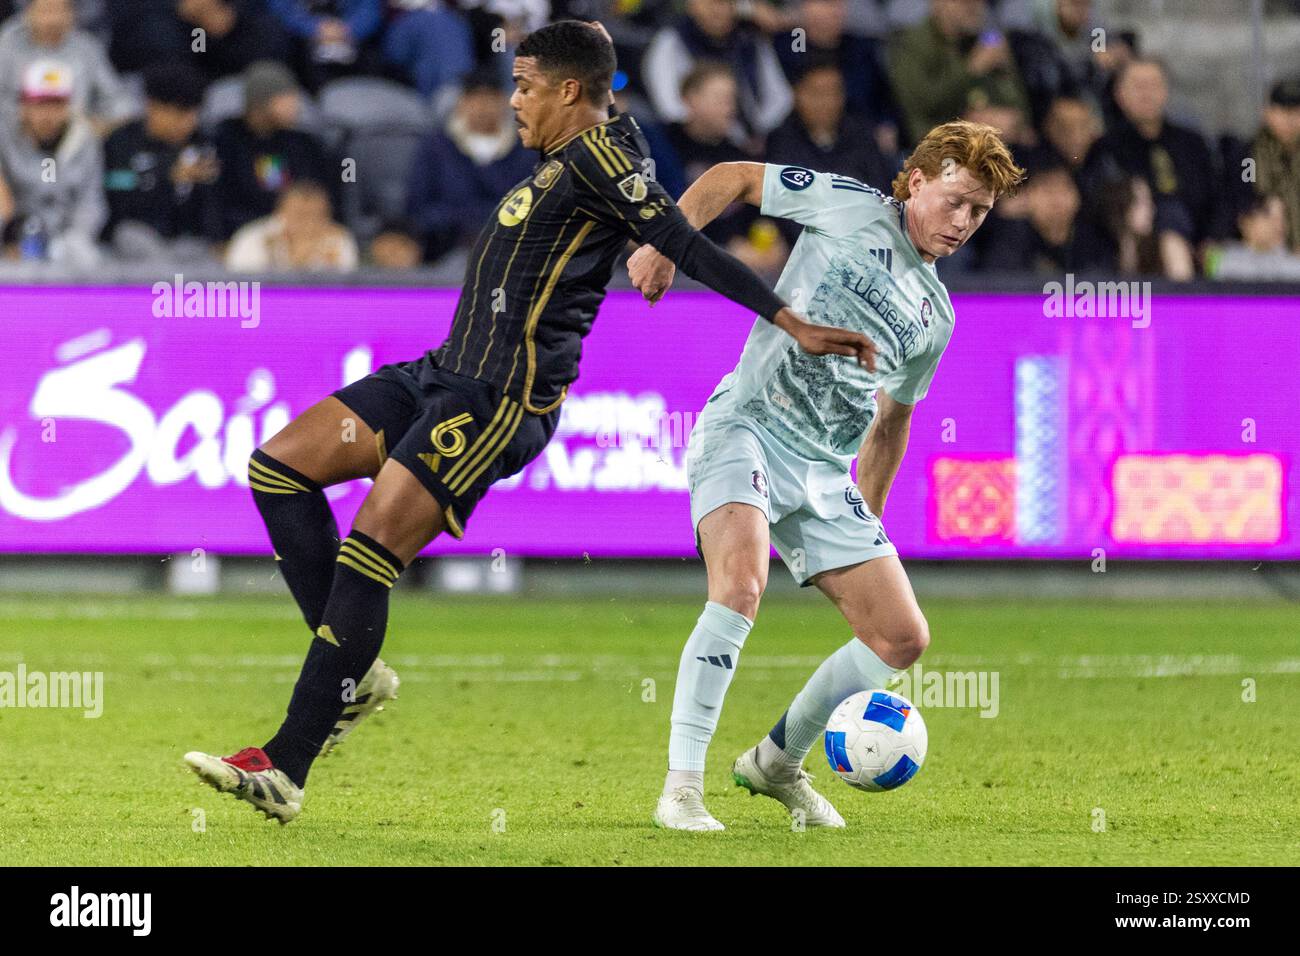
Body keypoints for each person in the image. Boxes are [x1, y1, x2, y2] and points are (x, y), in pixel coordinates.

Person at [182, 20, 874, 824]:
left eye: (526, 86)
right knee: (278, 469)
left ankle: (287, 766)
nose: (514, 102)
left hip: (497, 398)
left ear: (572, 91)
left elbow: (684, 241)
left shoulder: (606, 159)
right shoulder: (572, 159)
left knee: (369, 552)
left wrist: (789, 320)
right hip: (439, 372)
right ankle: (352, 677)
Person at [626, 120, 1024, 830]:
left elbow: (892, 421)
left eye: (981, 212)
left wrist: (866, 517)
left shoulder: (936, 317)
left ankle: (777, 762)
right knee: (741, 587)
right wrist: (664, 240)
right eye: (956, 199)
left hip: (821, 467)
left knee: (903, 637)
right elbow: (733, 177)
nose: (963, 222)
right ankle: (681, 788)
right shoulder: (847, 201)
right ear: (919, 179)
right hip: (746, 425)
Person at [405, 69, 537, 263]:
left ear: (503, 102)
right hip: (447, 249)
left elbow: (535, 206)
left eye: (490, 98)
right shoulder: (436, 147)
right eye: (475, 98)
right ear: (462, 102)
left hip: (513, 251)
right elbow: (418, 208)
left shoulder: (527, 149)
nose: (482, 106)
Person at [103, 63, 217, 258]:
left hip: (186, 241)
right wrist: (167, 177)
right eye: (180, 114)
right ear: (153, 106)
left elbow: (212, 207)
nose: (188, 123)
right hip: (135, 236)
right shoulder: (121, 142)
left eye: (193, 114)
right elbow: (117, 198)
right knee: (131, 236)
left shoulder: (202, 143)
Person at [211, 60, 332, 239]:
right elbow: (219, 201)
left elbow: (316, 192)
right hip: (241, 236)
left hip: (298, 234)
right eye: (285, 98)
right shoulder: (224, 141)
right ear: (260, 103)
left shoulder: (302, 143)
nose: (295, 105)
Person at [0, 61, 105, 267]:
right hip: (12, 237)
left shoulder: (85, 140)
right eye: (40, 103)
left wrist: (62, 244)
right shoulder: (4, 136)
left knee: (86, 256)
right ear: (23, 105)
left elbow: (91, 203)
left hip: (66, 240)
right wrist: (10, 233)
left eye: (56, 104)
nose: (47, 114)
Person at [641, 0, 793, 142]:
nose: (717, 10)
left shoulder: (749, 39)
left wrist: (758, 134)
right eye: (710, 3)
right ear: (692, 5)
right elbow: (669, 107)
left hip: (754, 142)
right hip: (691, 142)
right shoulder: (671, 41)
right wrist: (714, 126)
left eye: (725, 3)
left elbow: (779, 97)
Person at [887, 0, 1031, 148]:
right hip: (935, 146)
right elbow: (925, 103)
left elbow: (1017, 104)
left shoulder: (984, 40)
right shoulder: (912, 44)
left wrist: (1011, 117)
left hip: (996, 144)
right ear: (938, 4)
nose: (974, 6)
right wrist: (972, 69)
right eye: (964, 2)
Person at [0, 0, 134, 134]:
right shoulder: (7, 46)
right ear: (27, 13)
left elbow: (120, 101)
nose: (53, 19)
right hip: (15, 136)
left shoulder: (86, 48)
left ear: (73, 14)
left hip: (75, 138)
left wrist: (100, 124)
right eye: (46, 11)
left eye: (60, 10)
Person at [225, 180, 358, 272]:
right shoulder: (252, 238)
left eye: (317, 215)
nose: (308, 223)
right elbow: (242, 288)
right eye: (300, 215)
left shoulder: (339, 238)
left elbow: (347, 292)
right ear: (281, 212)